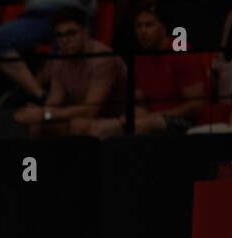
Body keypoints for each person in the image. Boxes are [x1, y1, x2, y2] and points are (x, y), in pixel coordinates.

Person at [73, 2, 207, 138]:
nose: (143, 31)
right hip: (151, 118)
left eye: (149, 25)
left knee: (128, 127)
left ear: (163, 27)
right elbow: (141, 104)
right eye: (139, 26)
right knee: (91, 127)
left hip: (185, 122)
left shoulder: (180, 52)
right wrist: (132, 115)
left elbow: (196, 105)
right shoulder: (139, 58)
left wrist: (156, 115)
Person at [13, 8, 127, 136]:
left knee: (78, 125)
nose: (65, 40)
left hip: (117, 117)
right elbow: (55, 101)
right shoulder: (60, 59)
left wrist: (45, 114)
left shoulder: (103, 59)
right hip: (84, 115)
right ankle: (33, 155)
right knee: (36, 123)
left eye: (71, 33)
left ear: (85, 32)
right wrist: (38, 113)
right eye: (60, 35)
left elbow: (91, 110)